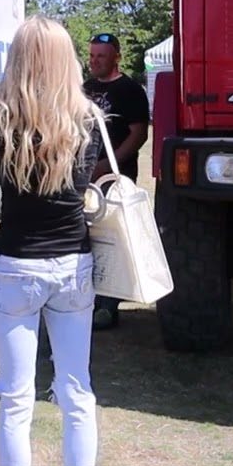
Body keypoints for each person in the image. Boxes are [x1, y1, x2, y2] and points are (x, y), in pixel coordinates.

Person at [0, 15, 106, 466]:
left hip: (15, 263)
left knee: (15, 398)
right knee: (77, 392)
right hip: (72, 263)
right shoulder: (87, 119)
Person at [81, 32, 151, 330]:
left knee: (112, 239)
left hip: (115, 176)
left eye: (102, 56)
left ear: (116, 58)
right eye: (93, 56)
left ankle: (108, 305)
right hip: (83, 175)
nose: (95, 61)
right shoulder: (83, 88)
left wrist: (109, 164)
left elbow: (139, 133)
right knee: (85, 236)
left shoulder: (130, 90)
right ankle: (85, 298)